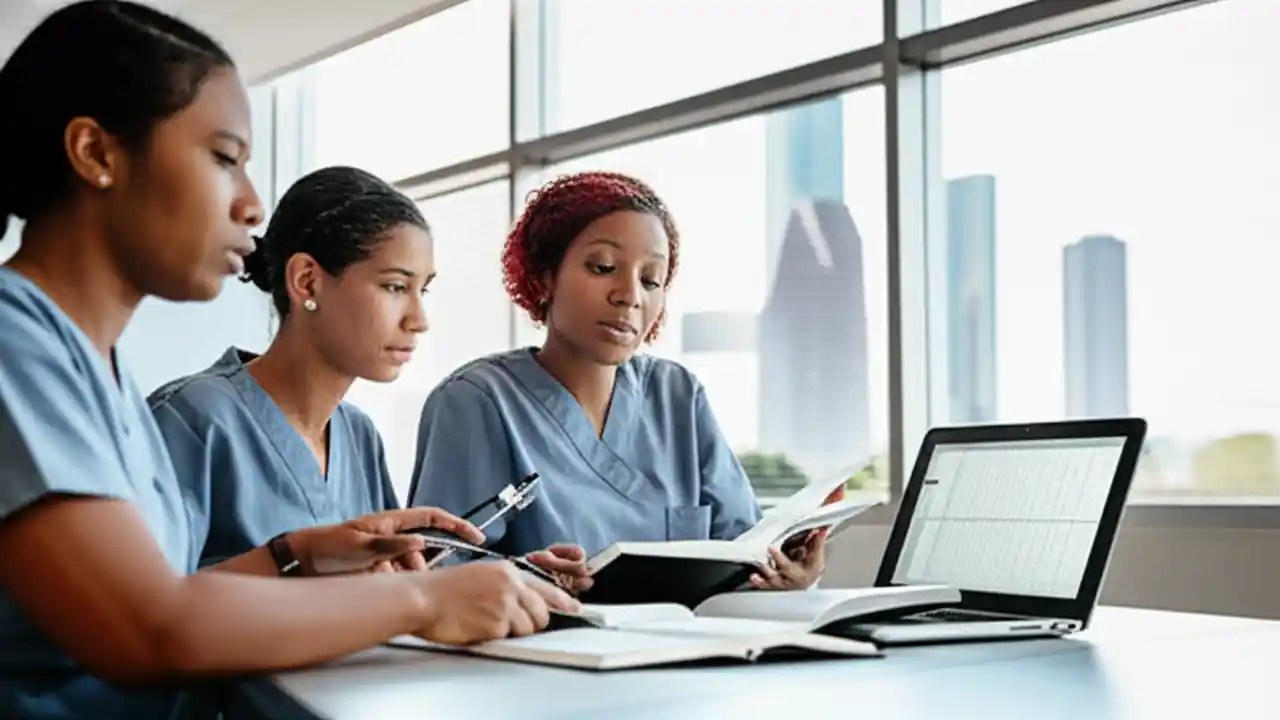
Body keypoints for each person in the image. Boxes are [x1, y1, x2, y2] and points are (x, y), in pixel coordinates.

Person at [0, 4, 573, 718]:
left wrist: (297, 554)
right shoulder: (15, 349)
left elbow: (167, 590)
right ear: (96, 152)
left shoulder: (96, 370)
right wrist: (420, 598)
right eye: (223, 158)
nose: (250, 204)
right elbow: (144, 629)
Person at [149, 165, 588, 581]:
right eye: (395, 287)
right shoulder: (192, 420)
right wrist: (297, 562)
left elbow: (383, 584)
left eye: (424, 289)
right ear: (307, 281)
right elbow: (140, 611)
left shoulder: (357, 436)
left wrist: (512, 574)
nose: (419, 318)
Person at [409, 171, 836, 591]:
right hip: (544, 653)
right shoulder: (477, 402)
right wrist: (528, 577)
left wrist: (784, 573)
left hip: (690, 650)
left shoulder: (679, 398)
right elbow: (436, 576)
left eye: (651, 280)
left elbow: (743, 552)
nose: (630, 295)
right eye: (603, 267)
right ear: (544, 279)